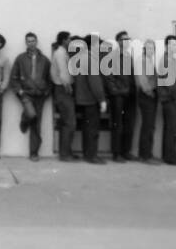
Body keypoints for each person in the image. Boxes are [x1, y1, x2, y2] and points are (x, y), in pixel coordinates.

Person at [10, 32, 51, 160]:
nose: (31, 43)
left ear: (36, 42)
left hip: (40, 95)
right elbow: (14, 78)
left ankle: (34, 153)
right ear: (26, 43)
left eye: (33, 41)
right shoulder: (20, 58)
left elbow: (50, 78)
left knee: (36, 124)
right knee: (31, 114)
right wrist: (19, 91)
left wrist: (46, 92)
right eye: (28, 41)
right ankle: (25, 119)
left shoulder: (44, 60)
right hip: (26, 94)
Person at [72, 34, 108, 165]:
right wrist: (102, 100)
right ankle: (92, 156)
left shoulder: (82, 57)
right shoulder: (91, 59)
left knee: (87, 129)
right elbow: (95, 82)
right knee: (92, 129)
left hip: (83, 99)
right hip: (91, 100)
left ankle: (88, 154)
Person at [101, 33, 135, 163]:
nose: (125, 41)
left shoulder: (128, 55)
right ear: (117, 41)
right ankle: (116, 153)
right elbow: (108, 76)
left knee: (128, 124)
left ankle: (125, 151)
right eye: (122, 39)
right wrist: (115, 91)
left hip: (129, 95)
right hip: (118, 96)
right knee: (118, 125)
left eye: (127, 39)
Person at [158, 36, 176, 166]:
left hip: (170, 98)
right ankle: (171, 157)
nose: (175, 47)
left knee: (171, 128)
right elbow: (170, 83)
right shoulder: (167, 61)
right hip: (170, 99)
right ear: (166, 46)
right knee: (172, 129)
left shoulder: (172, 60)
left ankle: (170, 155)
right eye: (172, 45)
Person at [50, 31, 76, 161]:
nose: (70, 41)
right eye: (69, 39)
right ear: (64, 40)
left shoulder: (62, 52)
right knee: (69, 122)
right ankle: (65, 154)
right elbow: (63, 72)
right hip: (62, 89)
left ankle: (67, 152)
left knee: (68, 122)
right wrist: (68, 87)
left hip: (63, 89)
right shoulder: (60, 53)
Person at [134, 38, 161, 164]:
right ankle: (144, 155)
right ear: (144, 49)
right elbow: (141, 79)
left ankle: (147, 153)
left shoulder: (149, 60)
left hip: (151, 94)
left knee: (150, 126)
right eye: (148, 48)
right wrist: (149, 91)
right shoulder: (141, 60)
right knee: (147, 125)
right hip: (147, 95)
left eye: (153, 48)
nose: (151, 50)